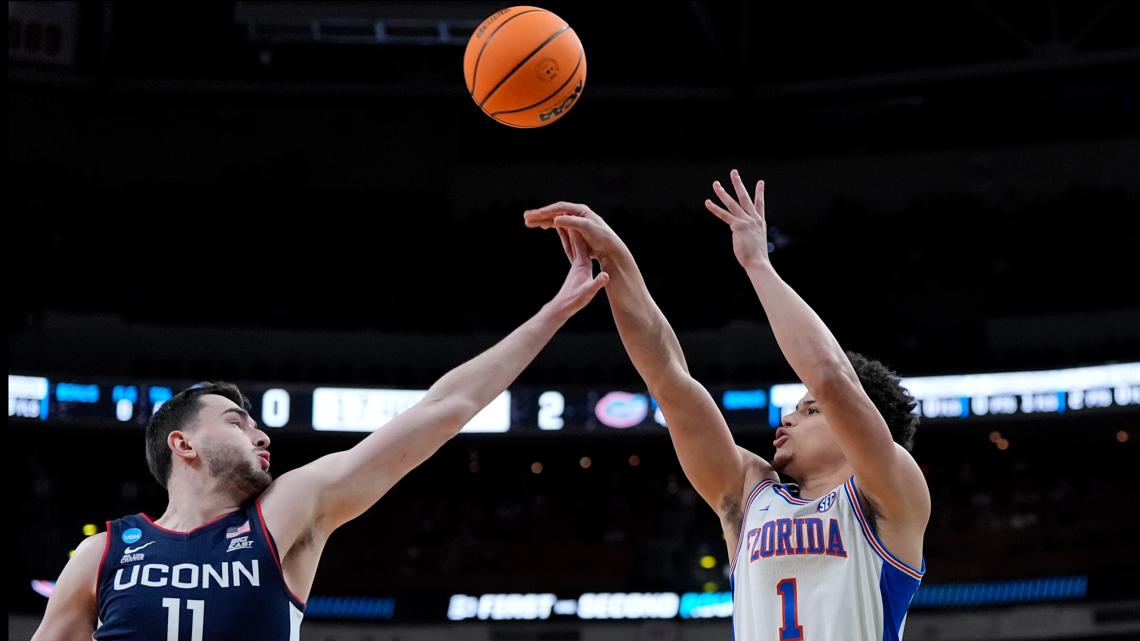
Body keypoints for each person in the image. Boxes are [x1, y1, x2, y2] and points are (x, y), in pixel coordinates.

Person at [32, 230, 609, 641]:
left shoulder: (286, 510)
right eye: (237, 422)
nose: (262, 437)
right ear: (182, 445)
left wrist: (553, 312)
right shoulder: (103, 553)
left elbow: (443, 409)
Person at [525, 170, 929, 640]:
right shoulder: (749, 491)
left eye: (810, 409)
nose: (788, 417)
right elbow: (670, 382)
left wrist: (757, 263)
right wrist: (614, 258)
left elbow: (831, 378)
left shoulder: (888, 493)